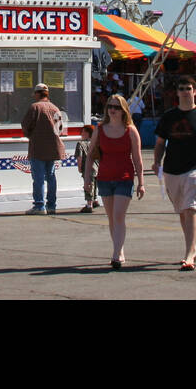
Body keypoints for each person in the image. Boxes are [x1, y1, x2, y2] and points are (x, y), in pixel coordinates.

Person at [153, 76, 196, 270]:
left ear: (194, 91)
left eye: (188, 88)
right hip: (172, 170)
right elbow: (159, 143)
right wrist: (156, 162)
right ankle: (193, 247)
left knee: (191, 208)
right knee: (182, 211)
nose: (185, 91)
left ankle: (188, 254)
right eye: (181, 88)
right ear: (177, 92)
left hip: (195, 169)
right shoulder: (169, 117)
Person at [85, 94, 145, 268]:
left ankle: (116, 254)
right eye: (110, 106)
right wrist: (87, 179)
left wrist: (141, 182)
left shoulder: (130, 130)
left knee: (119, 216)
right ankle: (119, 249)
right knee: (111, 218)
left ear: (123, 110)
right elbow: (89, 156)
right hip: (104, 178)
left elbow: (138, 158)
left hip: (124, 177)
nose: (112, 110)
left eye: (116, 107)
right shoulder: (100, 129)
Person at [20, 83, 66, 215]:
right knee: (51, 176)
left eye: (35, 93)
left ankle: (39, 206)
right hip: (53, 148)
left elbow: (25, 125)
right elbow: (60, 129)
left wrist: (30, 135)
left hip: (38, 147)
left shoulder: (35, 107)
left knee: (39, 178)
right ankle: (51, 205)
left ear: (38, 93)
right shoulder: (55, 108)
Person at [76, 124, 98, 213]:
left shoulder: (81, 144)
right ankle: (95, 200)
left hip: (87, 167)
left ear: (87, 133)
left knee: (88, 184)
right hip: (97, 167)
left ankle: (89, 204)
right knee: (95, 184)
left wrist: (79, 167)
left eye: (82, 132)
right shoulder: (96, 142)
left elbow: (79, 157)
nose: (81, 133)